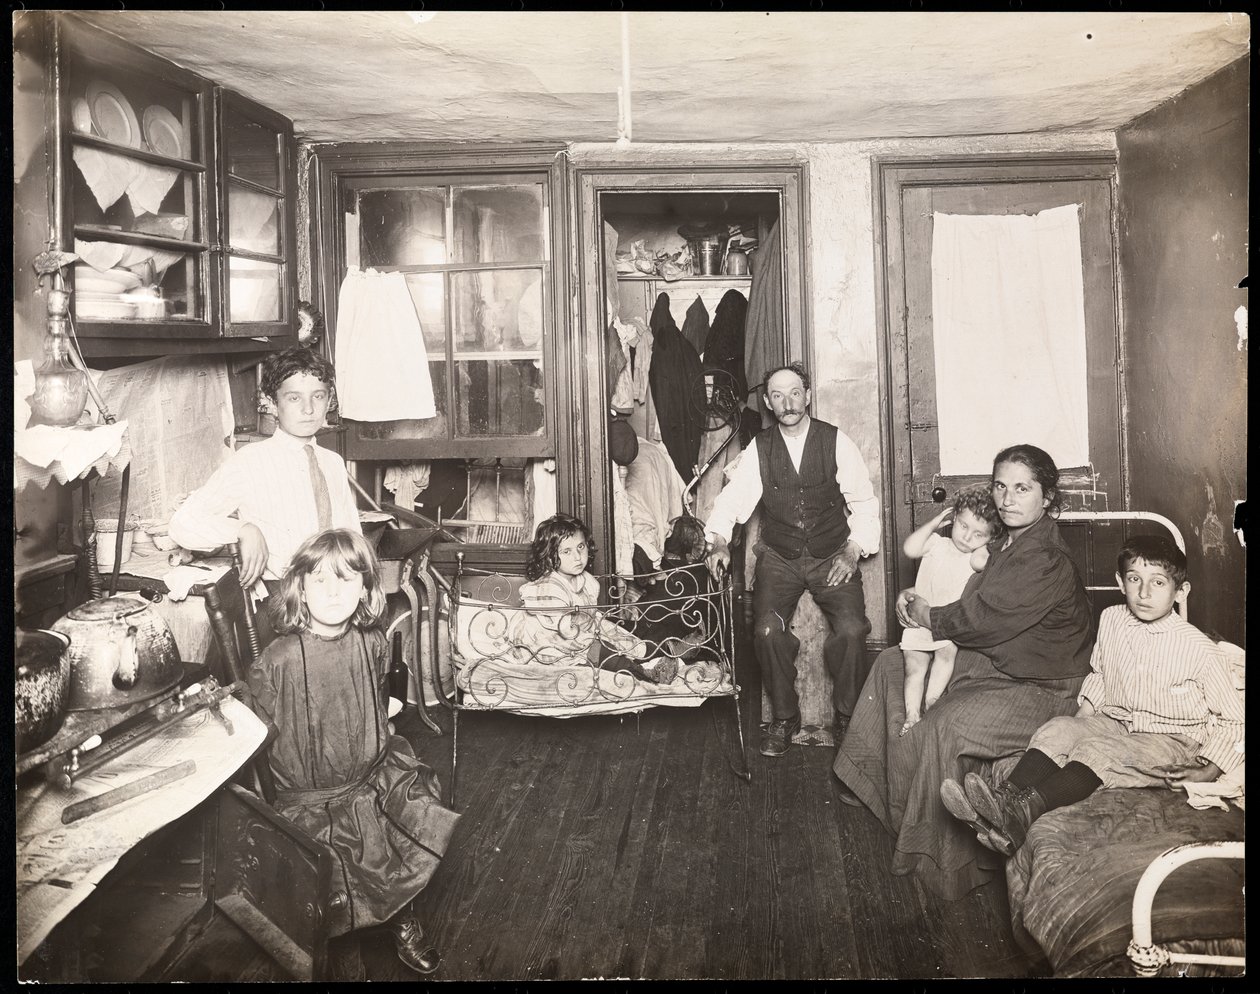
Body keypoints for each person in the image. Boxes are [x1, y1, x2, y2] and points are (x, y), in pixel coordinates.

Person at [831, 444, 1093, 901]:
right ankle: (875, 787)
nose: (1008, 498)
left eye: (1023, 488)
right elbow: (962, 593)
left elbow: (982, 618)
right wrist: (915, 596)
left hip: (1040, 686)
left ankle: (934, 861)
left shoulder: (1046, 558)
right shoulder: (1004, 541)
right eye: (1000, 486)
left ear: (1047, 497)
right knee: (894, 662)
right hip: (996, 659)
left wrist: (927, 615)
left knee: (944, 726)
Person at [940, 534, 1245, 857]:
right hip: (1117, 719)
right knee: (1060, 729)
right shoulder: (1112, 619)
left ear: (1180, 591)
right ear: (1119, 581)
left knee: (1098, 751)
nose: (1144, 593)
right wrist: (1079, 725)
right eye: (1134, 579)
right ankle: (1002, 799)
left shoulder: (1196, 648)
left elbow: (1235, 718)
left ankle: (1021, 814)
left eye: (1158, 583)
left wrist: (1209, 769)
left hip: (1172, 738)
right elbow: (1100, 673)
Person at [245, 528, 459, 974]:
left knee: (395, 843)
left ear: (365, 587)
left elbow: (372, 694)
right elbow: (257, 728)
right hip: (312, 795)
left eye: (346, 579)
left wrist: (385, 710)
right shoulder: (278, 659)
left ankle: (401, 918)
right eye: (320, 580)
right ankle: (340, 946)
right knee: (334, 878)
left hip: (369, 775)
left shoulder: (372, 641)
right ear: (299, 589)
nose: (333, 591)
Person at [703, 362, 880, 757]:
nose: (788, 402)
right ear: (767, 402)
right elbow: (733, 501)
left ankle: (847, 716)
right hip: (779, 557)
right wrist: (716, 540)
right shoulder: (760, 448)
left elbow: (865, 504)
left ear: (808, 395)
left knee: (852, 630)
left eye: (795, 392)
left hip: (832, 553)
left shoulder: (836, 442)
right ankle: (785, 717)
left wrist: (853, 551)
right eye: (778, 395)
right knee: (766, 632)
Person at [170, 346, 361, 588]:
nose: (309, 409)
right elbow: (182, 523)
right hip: (284, 596)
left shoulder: (333, 462)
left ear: (329, 400)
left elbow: (352, 534)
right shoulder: (249, 462)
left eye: (318, 396)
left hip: (337, 589)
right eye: (294, 398)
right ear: (272, 403)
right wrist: (243, 529)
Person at [512, 513, 679, 684]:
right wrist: (599, 641)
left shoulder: (586, 581)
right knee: (601, 649)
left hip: (579, 633)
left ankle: (666, 652)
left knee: (622, 635)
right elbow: (565, 634)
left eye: (581, 547)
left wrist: (610, 635)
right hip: (549, 643)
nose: (577, 557)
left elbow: (590, 617)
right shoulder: (549, 588)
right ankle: (640, 672)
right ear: (548, 556)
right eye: (566, 551)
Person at [898, 489, 1002, 736]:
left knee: (945, 656)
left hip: (945, 624)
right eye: (963, 526)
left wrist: (986, 543)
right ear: (953, 519)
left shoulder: (974, 558)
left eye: (978, 534)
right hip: (918, 622)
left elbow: (983, 562)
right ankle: (912, 714)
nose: (967, 537)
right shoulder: (936, 543)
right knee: (914, 668)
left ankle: (931, 703)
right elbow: (911, 548)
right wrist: (936, 521)